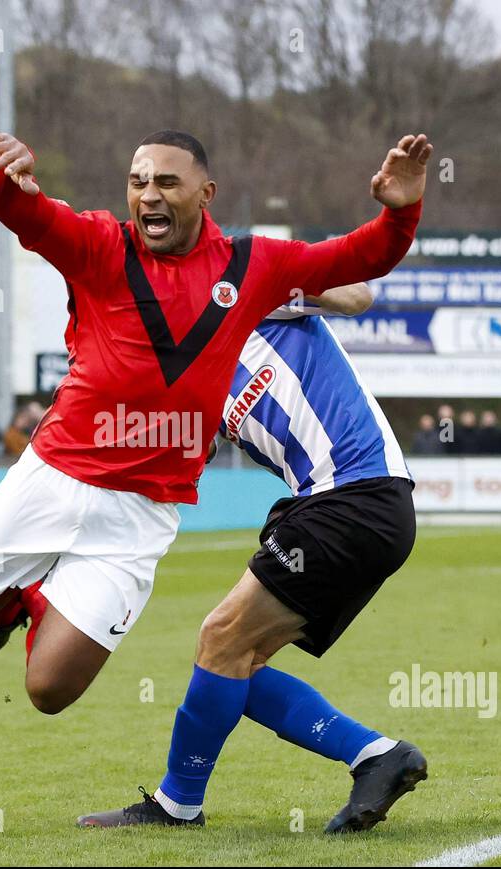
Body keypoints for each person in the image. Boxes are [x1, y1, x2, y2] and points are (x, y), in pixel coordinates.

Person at [0, 127, 430, 716]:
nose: (149, 194)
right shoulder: (99, 244)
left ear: (206, 193)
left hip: (142, 510)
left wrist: (401, 212)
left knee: (48, 692)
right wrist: (5, 173)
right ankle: (11, 599)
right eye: (138, 182)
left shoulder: (253, 266)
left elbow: (362, 258)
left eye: (167, 182)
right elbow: (21, 211)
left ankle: (35, 595)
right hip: (57, 473)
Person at [76, 281, 426, 832]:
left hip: (353, 496)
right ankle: (377, 756)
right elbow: (182, 449)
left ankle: (177, 805)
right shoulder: (196, 374)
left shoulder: (242, 290)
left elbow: (357, 294)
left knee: (221, 638)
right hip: (352, 508)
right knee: (235, 660)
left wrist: (294, 284)